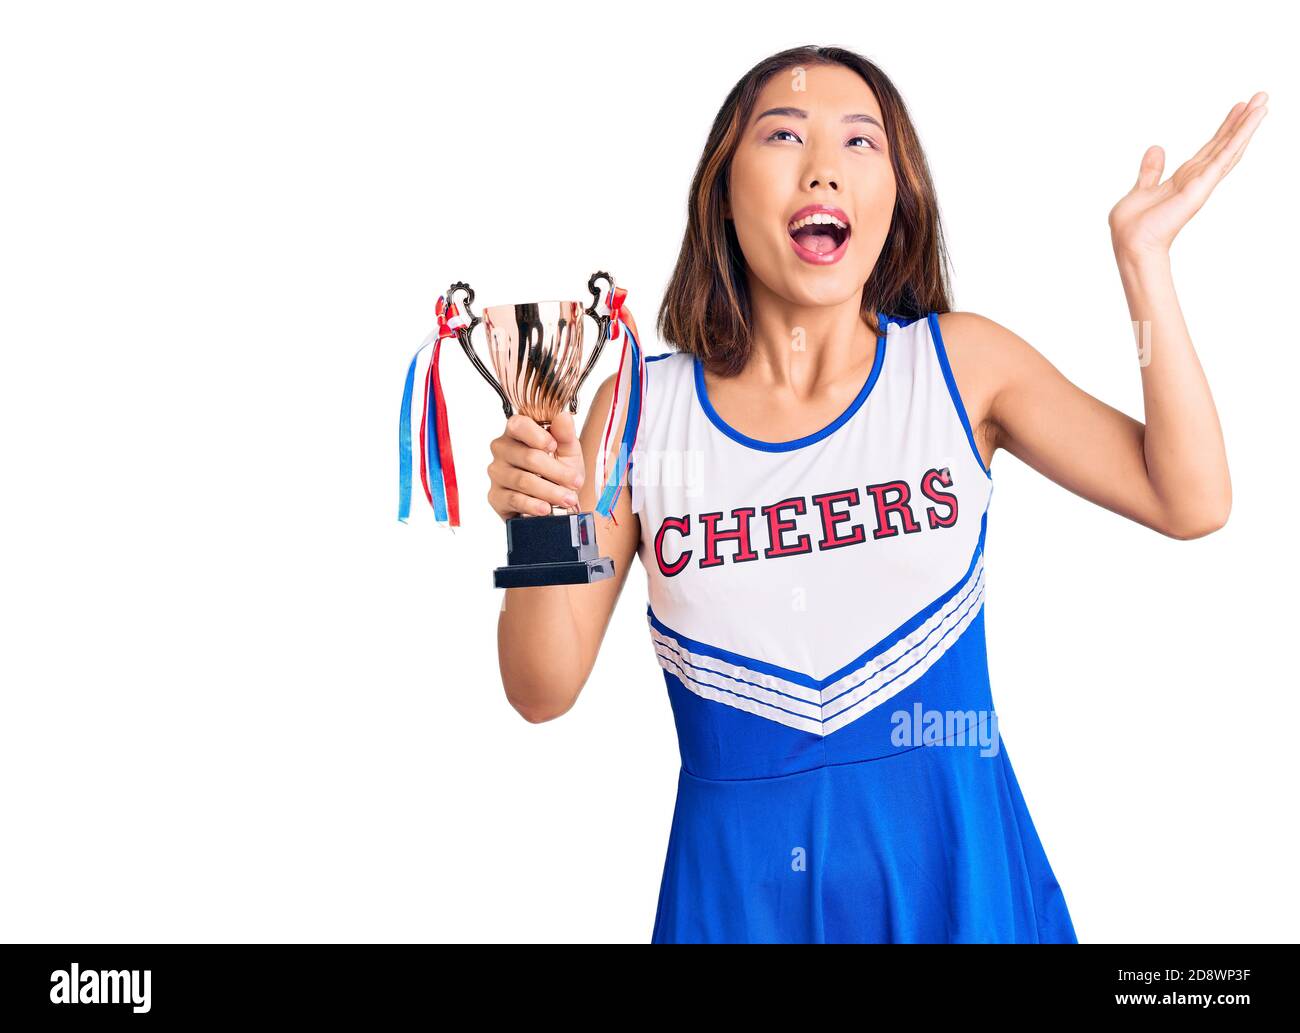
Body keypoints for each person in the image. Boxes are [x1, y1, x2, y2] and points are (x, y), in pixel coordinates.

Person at [484, 45, 1266, 943]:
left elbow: (1192, 498)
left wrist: (1146, 264)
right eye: (783, 134)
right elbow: (541, 688)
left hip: (958, 877)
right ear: (721, 188)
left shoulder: (961, 367)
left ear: (897, 198)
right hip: (741, 900)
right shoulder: (638, 409)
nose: (823, 164)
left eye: (863, 142)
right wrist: (540, 519)